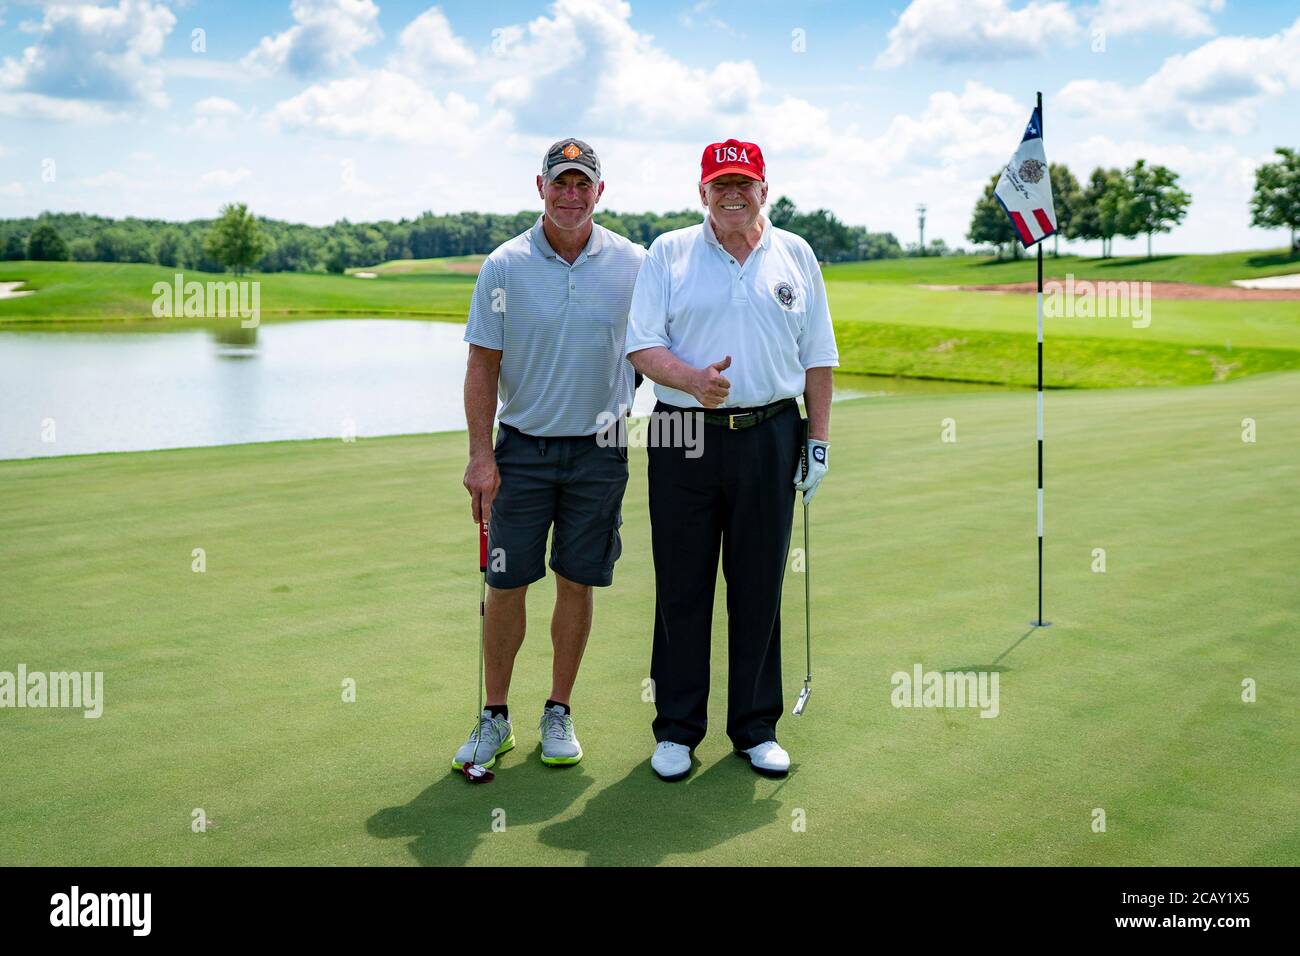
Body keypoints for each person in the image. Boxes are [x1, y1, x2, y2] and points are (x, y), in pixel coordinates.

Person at [625, 138, 837, 781]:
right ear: (703, 193)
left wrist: (818, 441)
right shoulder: (670, 251)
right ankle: (677, 731)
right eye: (721, 185)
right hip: (680, 431)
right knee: (682, 584)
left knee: (758, 585)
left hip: (772, 432)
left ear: (764, 190)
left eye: (745, 183)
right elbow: (641, 345)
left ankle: (754, 727)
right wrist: (691, 379)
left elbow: (817, 357)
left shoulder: (795, 254)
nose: (733, 194)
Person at [454, 139, 645, 773]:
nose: (570, 194)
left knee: (578, 579)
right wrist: (481, 457)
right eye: (559, 183)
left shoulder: (633, 263)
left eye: (581, 184)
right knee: (506, 583)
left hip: (601, 451)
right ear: (540, 188)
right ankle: (496, 716)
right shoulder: (504, 266)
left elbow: (649, 348)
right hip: (522, 451)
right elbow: (483, 365)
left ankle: (558, 709)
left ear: (599, 191)